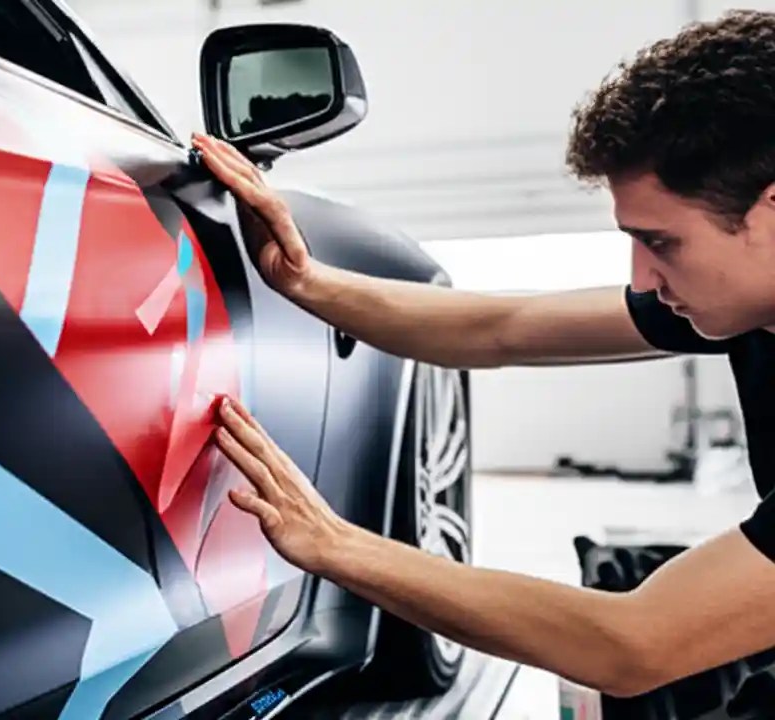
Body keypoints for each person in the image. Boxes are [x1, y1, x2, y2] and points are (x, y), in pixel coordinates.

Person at [191, 9, 775, 699]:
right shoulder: (747, 308)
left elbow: (633, 644)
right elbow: (501, 328)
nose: (642, 279)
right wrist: (305, 281)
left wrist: (336, 546)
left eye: (662, 243)